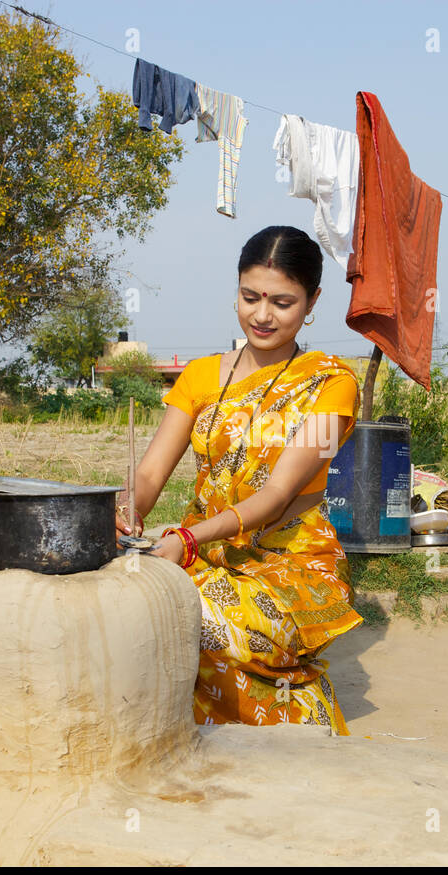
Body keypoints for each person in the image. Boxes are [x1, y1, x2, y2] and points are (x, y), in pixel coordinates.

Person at [116, 225, 364, 733]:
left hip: (289, 563)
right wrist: (125, 511)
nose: (262, 315)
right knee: (124, 609)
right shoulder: (202, 376)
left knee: (195, 621)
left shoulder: (331, 384)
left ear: (313, 301)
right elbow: (148, 473)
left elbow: (276, 495)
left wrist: (187, 539)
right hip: (203, 552)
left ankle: (278, 739)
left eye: (282, 302)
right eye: (250, 297)